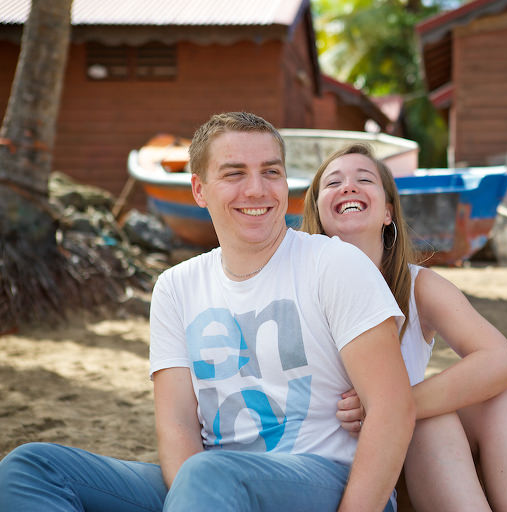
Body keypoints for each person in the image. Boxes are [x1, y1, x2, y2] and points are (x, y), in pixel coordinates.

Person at [0, 113, 415, 512]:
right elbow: (178, 425)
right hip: (208, 487)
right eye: (234, 174)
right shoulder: (177, 287)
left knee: (211, 473)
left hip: (326, 482)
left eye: (271, 172)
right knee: (32, 467)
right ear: (199, 190)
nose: (256, 189)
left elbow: (392, 408)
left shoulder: (334, 263)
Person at [302, 143, 507, 512]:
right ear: (319, 212)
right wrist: (397, 410)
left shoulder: (417, 285)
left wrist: (390, 405)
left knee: (493, 398)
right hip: (342, 463)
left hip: (413, 456)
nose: (349, 186)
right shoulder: (299, 283)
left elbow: (501, 361)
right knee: (428, 423)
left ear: (388, 212)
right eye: (333, 182)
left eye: (364, 178)